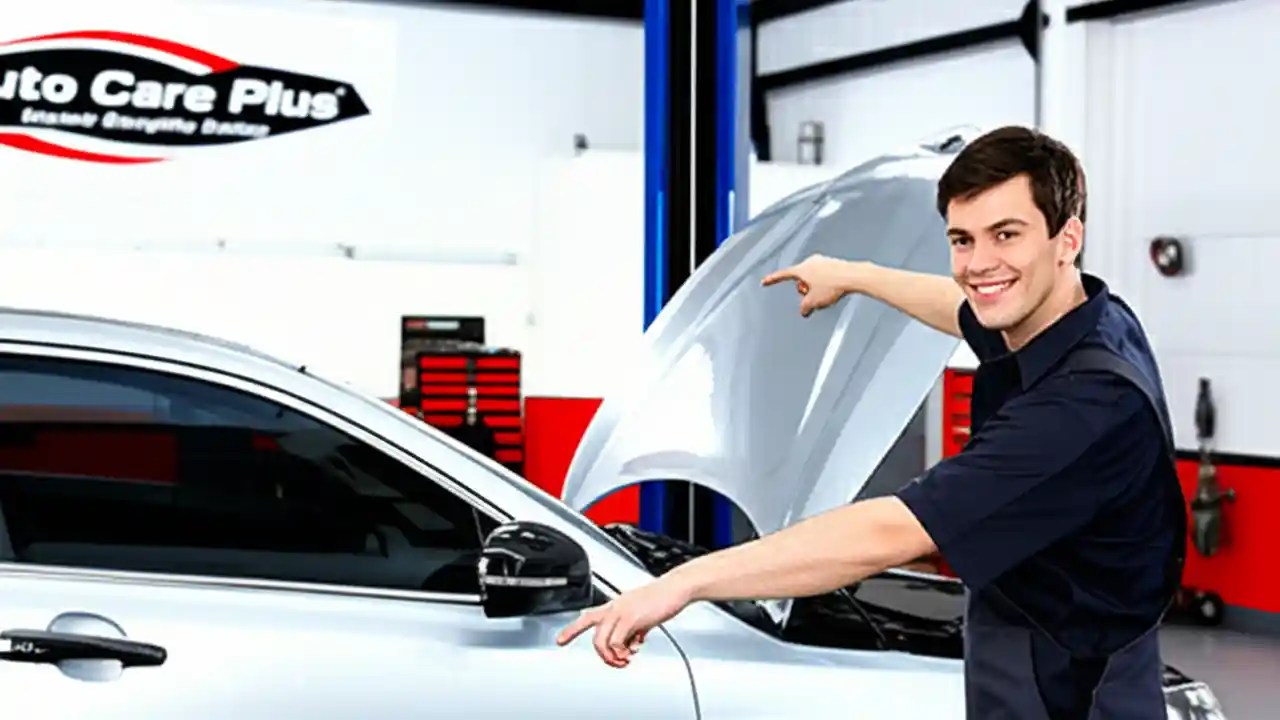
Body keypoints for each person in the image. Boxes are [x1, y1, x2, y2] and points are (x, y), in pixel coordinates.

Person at [555, 126, 1186, 720]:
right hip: (1053, 631)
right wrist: (851, 276)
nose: (978, 263)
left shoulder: (1084, 407)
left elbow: (890, 529)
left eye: (1007, 234)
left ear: (1066, 239)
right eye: (962, 239)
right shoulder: (1087, 315)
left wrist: (683, 583)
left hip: (1071, 682)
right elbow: (965, 305)